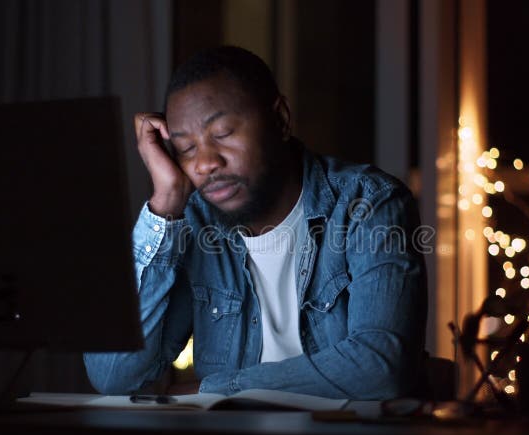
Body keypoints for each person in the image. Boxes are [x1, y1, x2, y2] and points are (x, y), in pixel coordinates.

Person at [84, 46, 428, 400]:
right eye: (186, 149)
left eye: (222, 134)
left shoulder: (368, 203)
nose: (205, 163)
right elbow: (112, 375)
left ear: (280, 119)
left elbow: (382, 366)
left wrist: (219, 388)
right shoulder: (194, 222)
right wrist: (165, 204)